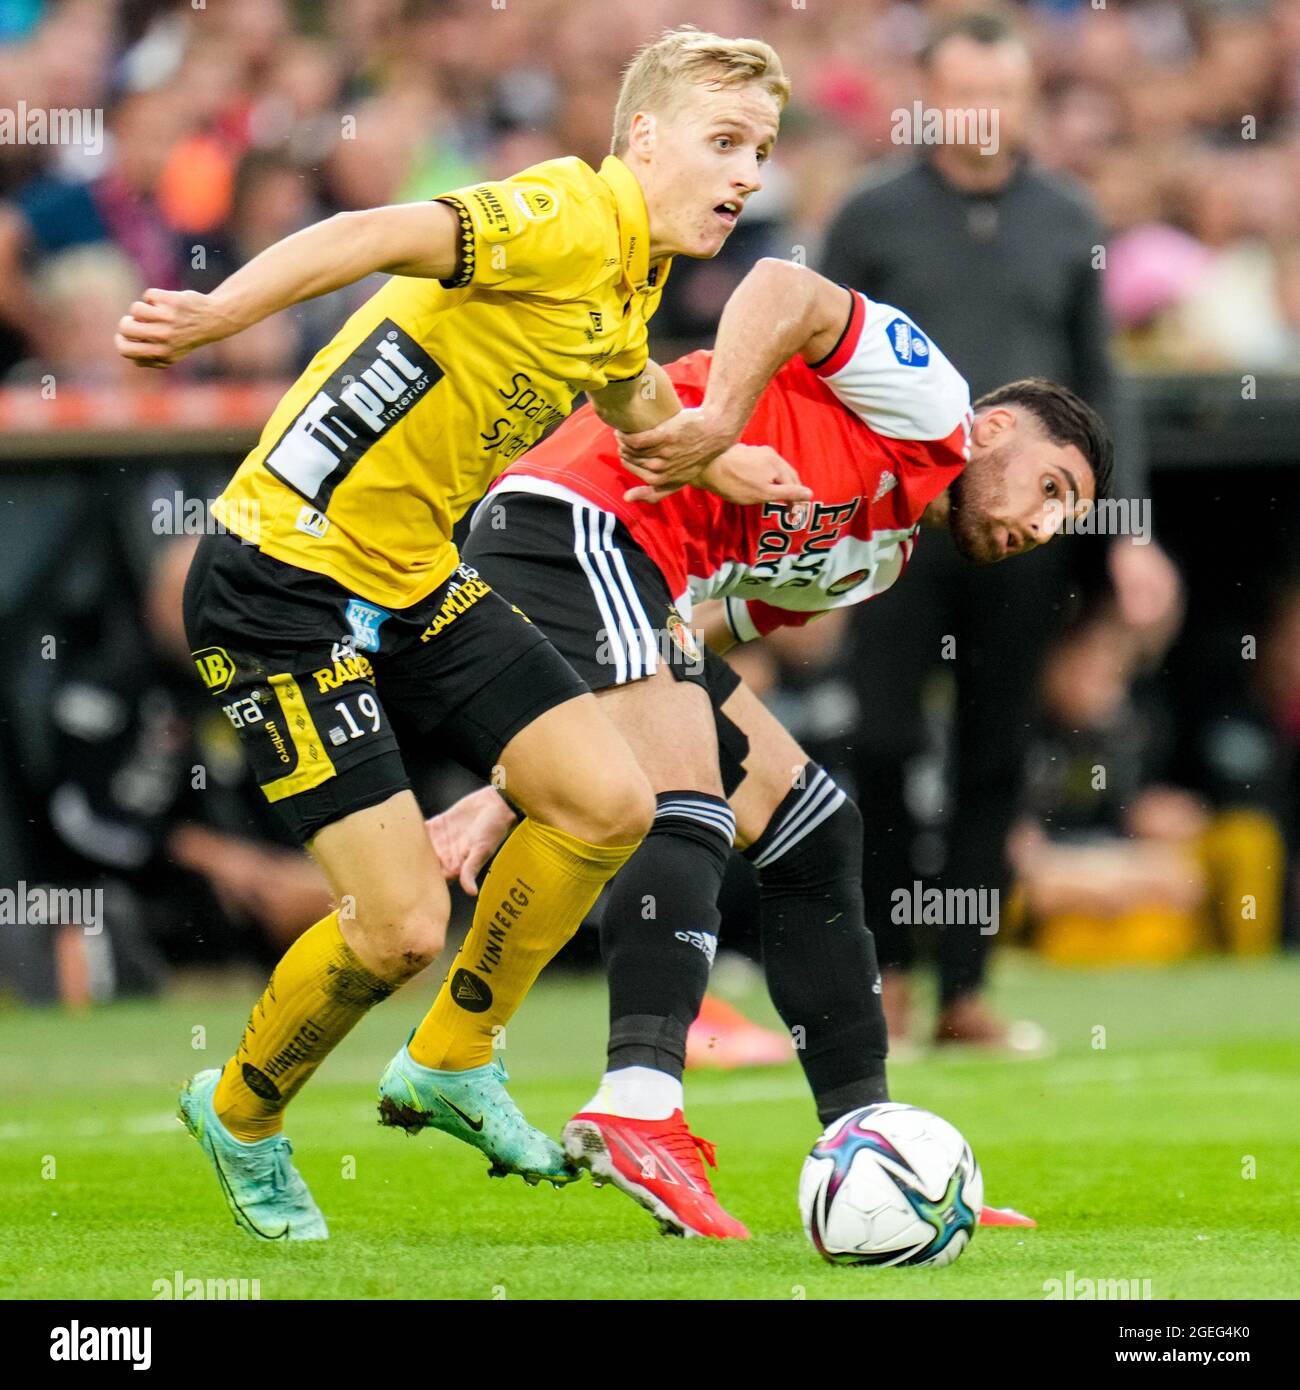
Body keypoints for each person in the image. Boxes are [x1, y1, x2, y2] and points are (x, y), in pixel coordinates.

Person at [115, 27, 797, 1242]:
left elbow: (634, 398)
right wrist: (218, 313)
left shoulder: (627, 268)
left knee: (604, 799)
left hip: (411, 572)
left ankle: (449, 1059)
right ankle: (242, 1112)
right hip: (280, 579)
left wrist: (738, 465)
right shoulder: (563, 216)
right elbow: (372, 231)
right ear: (641, 138)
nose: (747, 174)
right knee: (398, 928)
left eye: (761, 150)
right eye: (723, 142)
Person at [428, 256, 1112, 1237]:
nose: (1041, 526)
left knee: (812, 827)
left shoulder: (874, 560)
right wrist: (714, 424)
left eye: (1065, 518)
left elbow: (687, 640)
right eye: (1049, 487)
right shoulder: (935, 402)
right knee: (690, 800)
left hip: (632, 589)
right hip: (575, 519)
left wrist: (515, 779)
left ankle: (874, 1140)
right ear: (996, 432)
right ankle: (637, 1104)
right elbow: (782, 288)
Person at [817, 9, 1178, 1047]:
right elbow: (820, 367)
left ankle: (962, 991)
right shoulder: (871, 216)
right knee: (878, 740)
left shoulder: (1068, 217)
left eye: (1004, 93)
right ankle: (881, 972)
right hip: (894, 527)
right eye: (965, 93)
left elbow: (1100, 385)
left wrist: (1128, 530)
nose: (985, 116)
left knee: (994, 752)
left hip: (1028, 535)